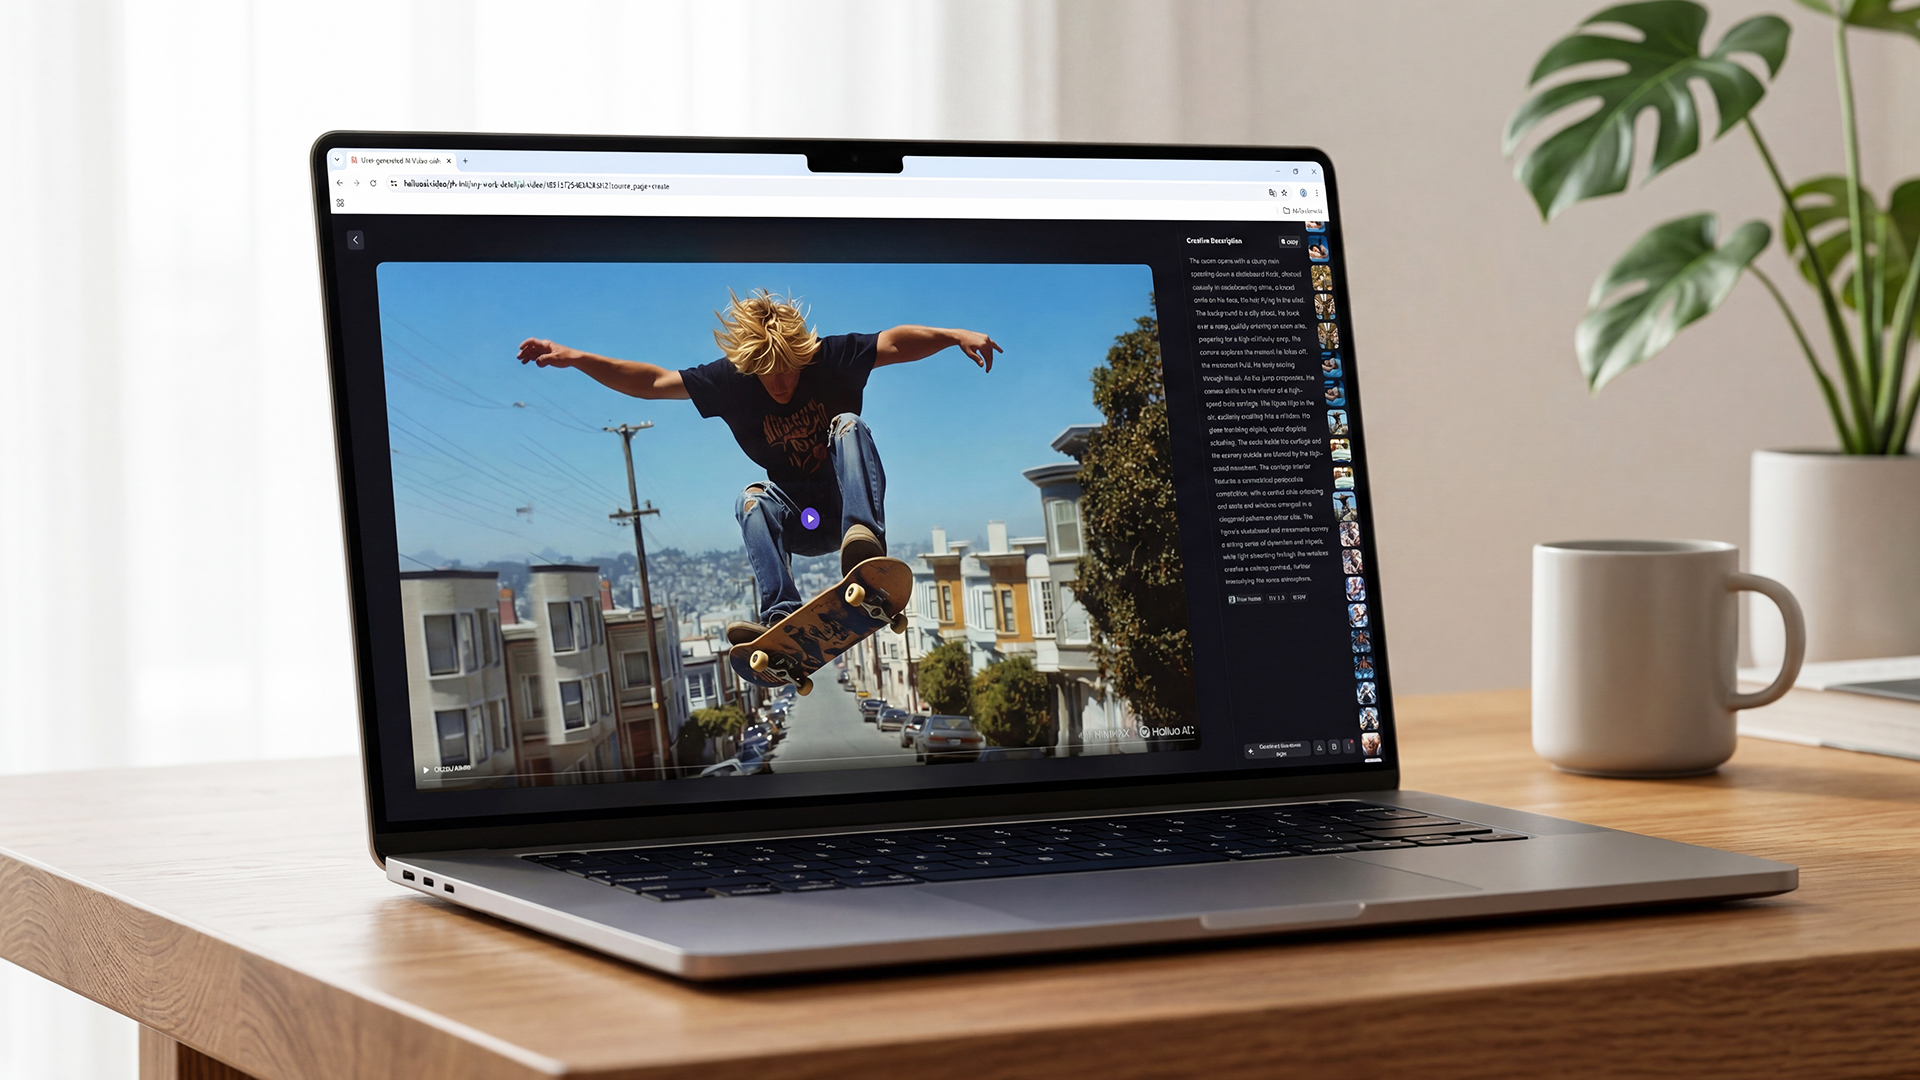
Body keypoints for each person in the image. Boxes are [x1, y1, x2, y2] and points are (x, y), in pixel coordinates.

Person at [517, 289, 1002, 643]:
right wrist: (578, 358)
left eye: (789, 370)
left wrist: (953, 334)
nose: (781, 384)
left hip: (842, 507)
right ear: (751, 367)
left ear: (801, 356)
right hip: (799, 521)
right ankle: (780, 616)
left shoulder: (826, 358)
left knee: (848, 424)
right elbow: (654, 381)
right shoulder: (732, 380)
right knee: (751, 498)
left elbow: (893, 343)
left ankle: (864, 543)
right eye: (768, 375)